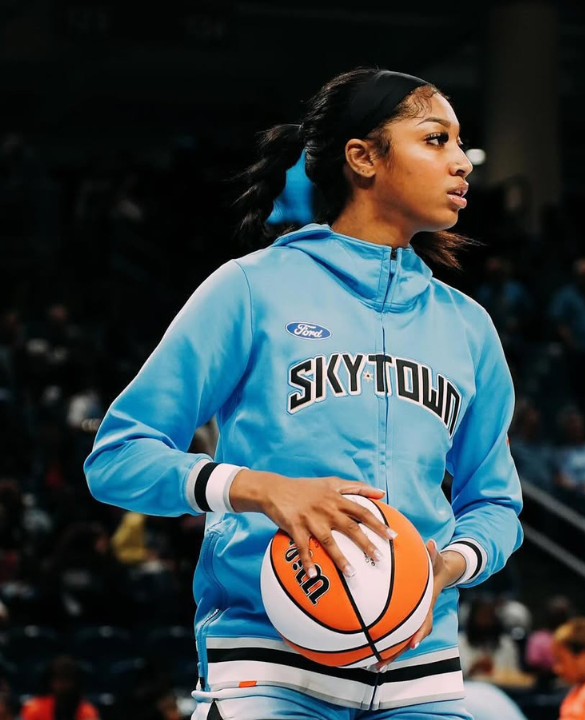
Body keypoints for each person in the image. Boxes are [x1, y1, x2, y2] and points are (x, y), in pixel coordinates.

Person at [83, 69, 524, 713]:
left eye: (461, 144)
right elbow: (118, 458)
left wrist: (448, 564)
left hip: (421, 669)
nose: (461, 163)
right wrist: (259, 488)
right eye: (436, 140)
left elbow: (495, 506)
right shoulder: (251, 288)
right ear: (363, 158)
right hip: (267, 663)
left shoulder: (466, 324)